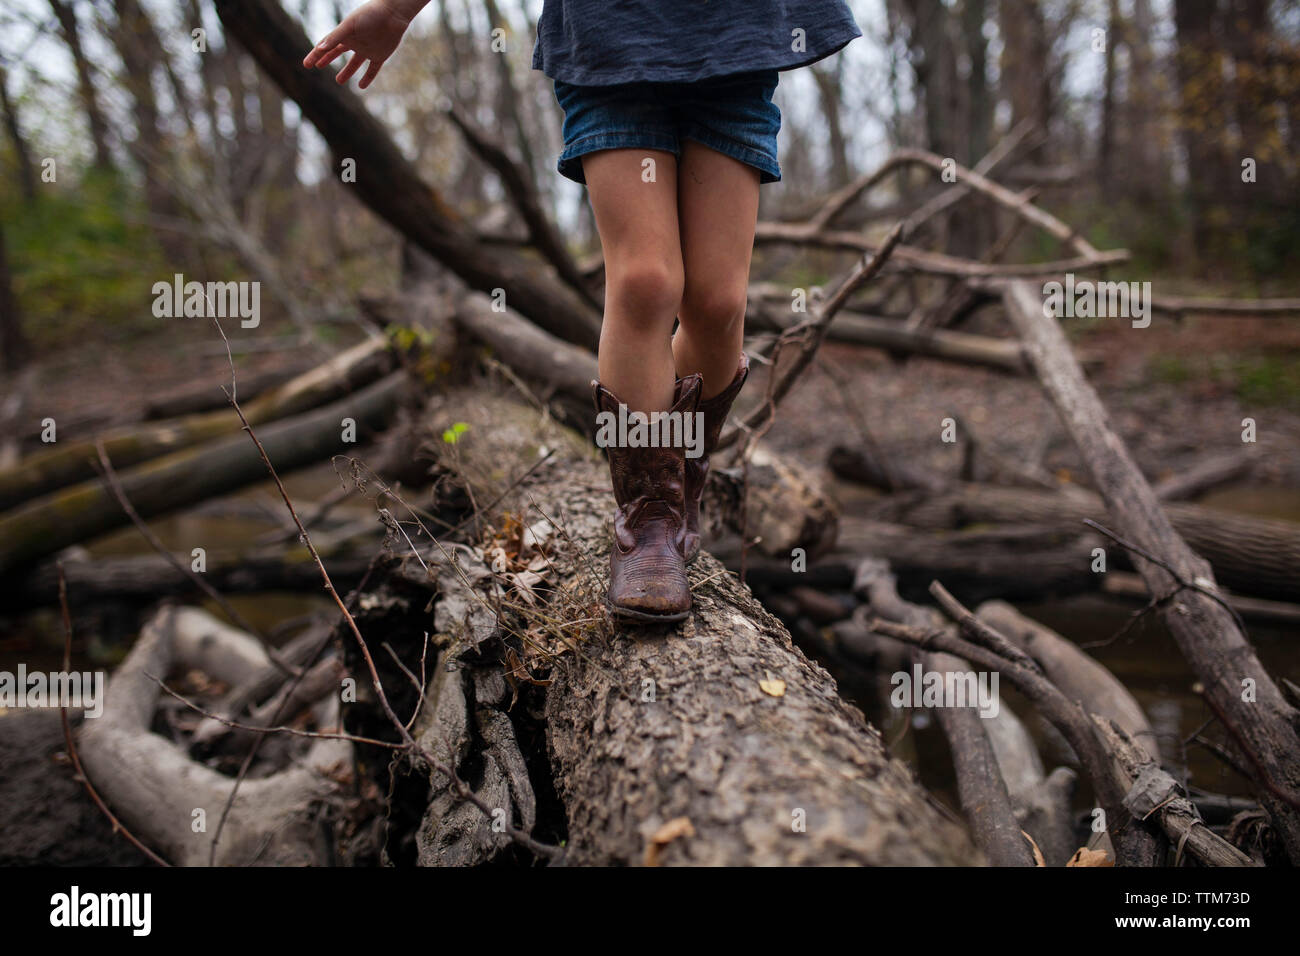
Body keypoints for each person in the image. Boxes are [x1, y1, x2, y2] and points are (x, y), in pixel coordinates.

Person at [305, 0, 861, 623]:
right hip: (609, 42)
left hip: (735, 41)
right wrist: (397, 9)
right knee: (647, 281)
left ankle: (682, 488)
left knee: (717, 302)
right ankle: (650, 523)